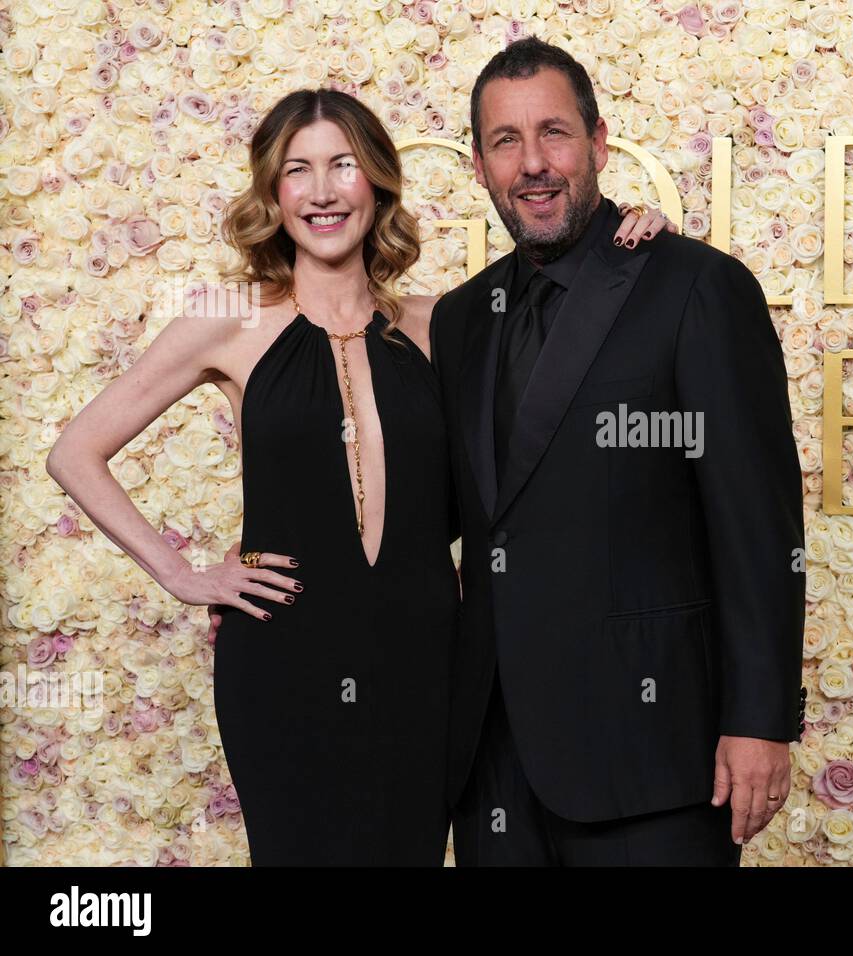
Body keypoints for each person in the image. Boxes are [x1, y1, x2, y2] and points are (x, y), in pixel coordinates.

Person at [45, 87, 675, 866]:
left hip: (424, 660)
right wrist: (183, 575)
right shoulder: (227, 318)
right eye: (296, 170)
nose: (321, 191)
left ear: (375, 180)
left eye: (342, 165)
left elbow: (565, 377)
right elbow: (74, 451)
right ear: (273, 194)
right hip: (282, 659)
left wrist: (628, 239)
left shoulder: (444, 322)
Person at [432, 36, 807, 866]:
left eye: (554, 134)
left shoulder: (696, 287)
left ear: (598, 145)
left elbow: (755, 521)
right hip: (495, 761)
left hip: (656, 758)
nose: (533, 163)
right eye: (506, 142)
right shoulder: (461, 318)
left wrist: (759, 719)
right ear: (479, 165)